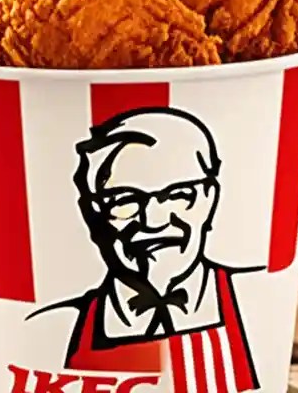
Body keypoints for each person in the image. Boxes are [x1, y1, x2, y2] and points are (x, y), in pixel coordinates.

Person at [31, 107, 260, 390]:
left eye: (178, 195)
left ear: (209, 199)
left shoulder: (257, 298)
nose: (153, 221)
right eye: (124, 200)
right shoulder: (55, 326)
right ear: (91, 214)